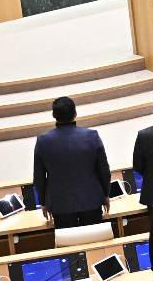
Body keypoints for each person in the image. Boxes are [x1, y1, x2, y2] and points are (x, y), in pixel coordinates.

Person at [34, 96, 109, 227]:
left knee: (69, 245)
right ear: (75, 113)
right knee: (94, 245)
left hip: (60, 205)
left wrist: (44, 202)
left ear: (53, 115)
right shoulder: (92, 136)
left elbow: (39, 178)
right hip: (91, 201)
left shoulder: (43, 141)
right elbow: (104, 170)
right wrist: (106, 195)